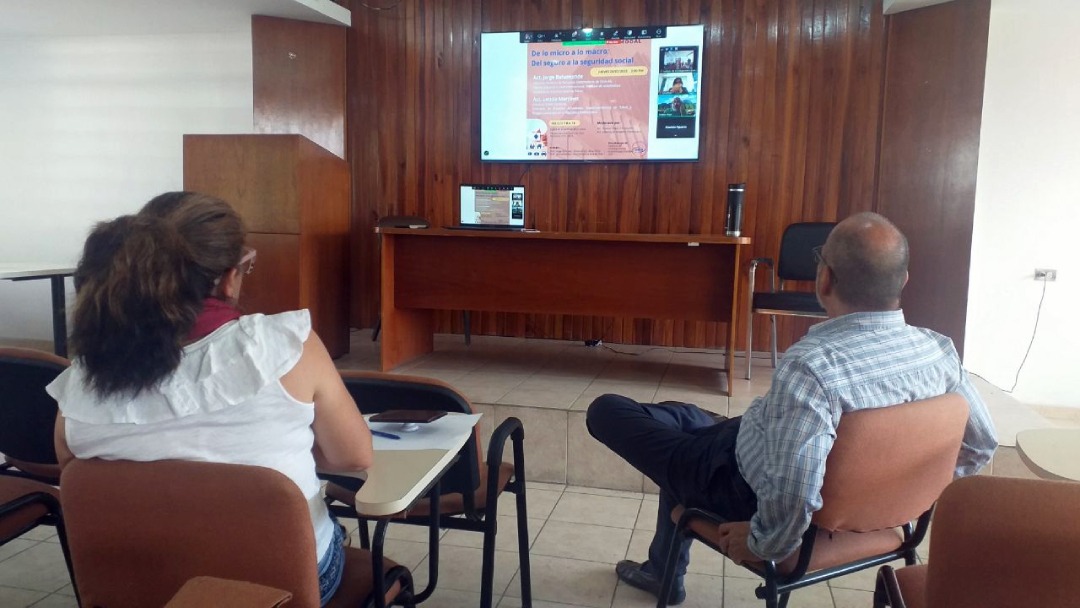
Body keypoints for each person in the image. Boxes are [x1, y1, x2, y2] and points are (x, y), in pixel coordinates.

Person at [586, 212, 997, 605]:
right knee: (690, 423)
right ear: (903, 280)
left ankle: (663, 569)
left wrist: (763, 542)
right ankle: (664, 563)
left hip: (735, 481)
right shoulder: (938, 350)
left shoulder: (812, 367)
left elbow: (794, 490)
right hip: (764, 447)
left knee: (607, 411)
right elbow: (982, 445)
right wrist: (903, 491)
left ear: (825, 278)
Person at [47, 192, 372, 606]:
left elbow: (77, 473)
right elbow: (354, 457)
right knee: (332, 535)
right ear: (228, 276)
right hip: (281, 586)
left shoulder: (82, 379)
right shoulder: (287, 345)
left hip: (140, 589)